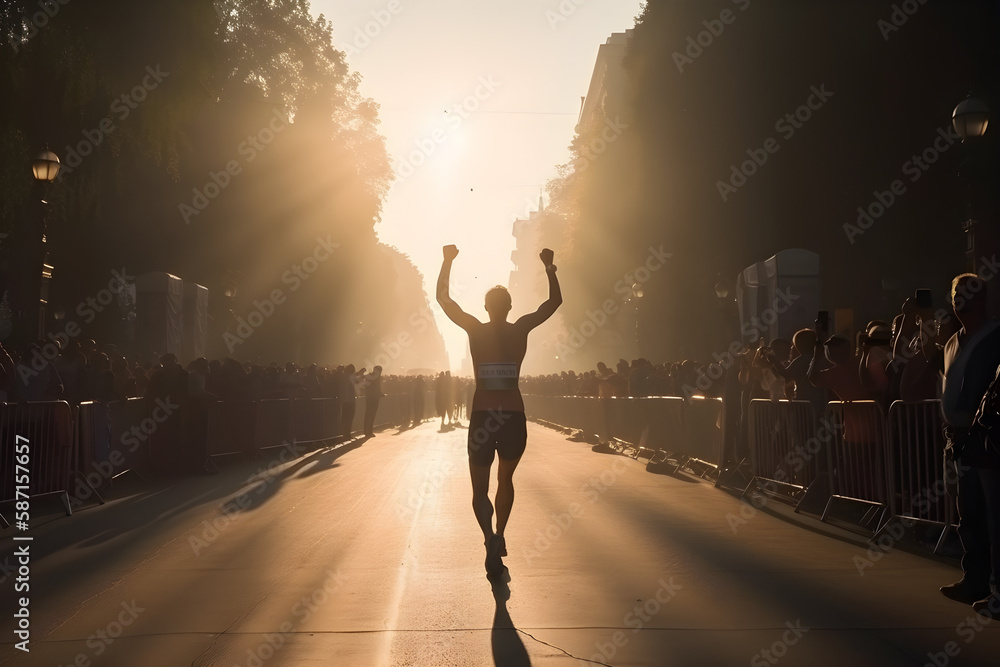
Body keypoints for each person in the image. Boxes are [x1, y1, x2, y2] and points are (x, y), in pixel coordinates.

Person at [437, 244, 561, 577]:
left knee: (479, 489)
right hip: (513, 415)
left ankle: (489, 537)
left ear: (485, 307)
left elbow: (445, 301)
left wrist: (447, 261)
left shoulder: (475, 330)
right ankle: (502, 534)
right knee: (506, 480)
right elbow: (553, 303)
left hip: (481, 415)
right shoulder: (519, 329)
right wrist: (550, 267)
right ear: (509, 307)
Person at [939, 273, 1000, 613]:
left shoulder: (995, 338)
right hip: (960, 440)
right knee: (970, 515)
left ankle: (997, 588)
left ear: (982, 299)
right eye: (956, 295)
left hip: (989, 441)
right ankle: (974, 579)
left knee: (995, 516)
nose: (961, 301)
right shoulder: (952, 342)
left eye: (968, 294)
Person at [363, 365, 383, 437]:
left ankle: (368, 431)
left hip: (371, 397)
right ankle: (368, 431)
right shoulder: (374, 377)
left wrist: (380, 393)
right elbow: (370, 386)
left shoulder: (373, 377)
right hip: (372, 398)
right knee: (370, 414)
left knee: (370, 414)